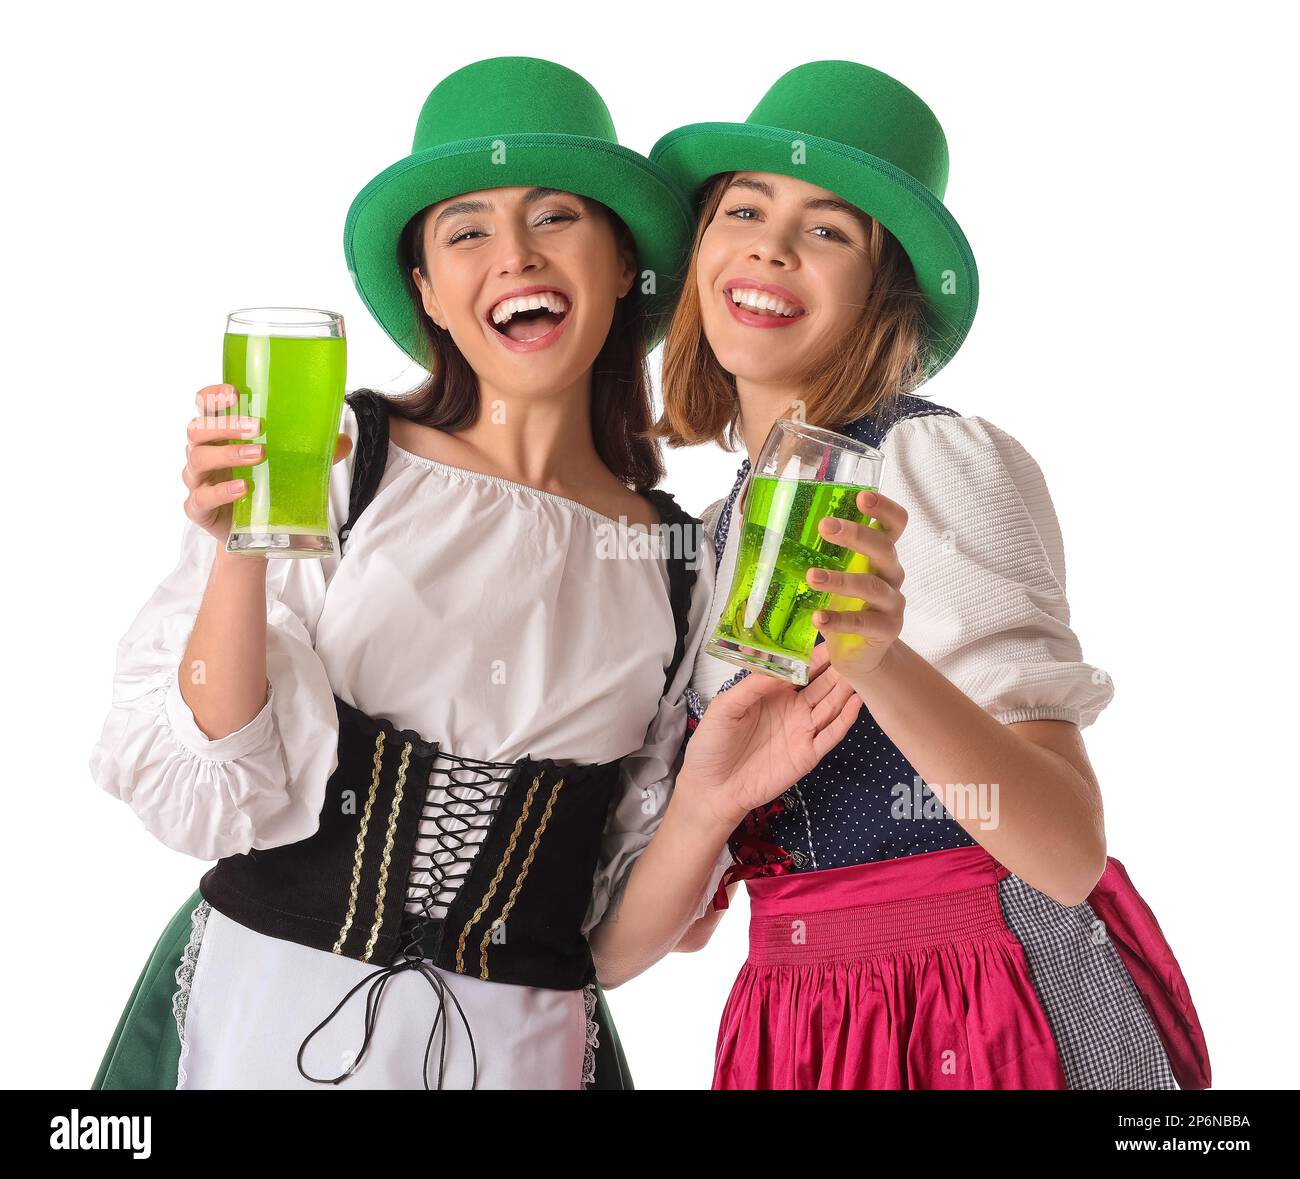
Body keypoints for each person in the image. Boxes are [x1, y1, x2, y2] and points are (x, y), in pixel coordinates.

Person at [88, 56, 862, 1091]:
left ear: (620, 263)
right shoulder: (334, 459)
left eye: (555, 219)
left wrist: (714, 804)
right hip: (263, 1018)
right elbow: (207, 784)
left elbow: (606, 944)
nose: (513, 255)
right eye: (466, 232)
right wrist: (236, 549)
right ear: (429, 293)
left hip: (519, 1053)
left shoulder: (683, 564)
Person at [651, 59, 1211, 1090]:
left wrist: (877, 658)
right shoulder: (701, 536)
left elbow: (1064, 849)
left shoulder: (931, 462)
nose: (771, 244)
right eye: (744, 209)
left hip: (979, 989)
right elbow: (675, 934)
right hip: (792, 1009)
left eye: (828, 229)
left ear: (882, 290)